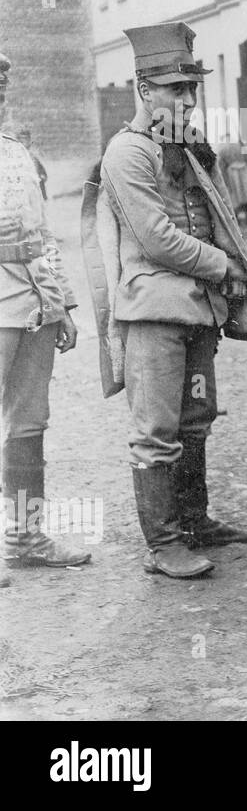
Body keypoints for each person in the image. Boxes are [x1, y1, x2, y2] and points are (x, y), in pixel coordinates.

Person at [91, 22, 247, 580]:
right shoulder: (128, 152)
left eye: (192, 89)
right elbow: (156, 239)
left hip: (198, 313)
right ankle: (163, 544)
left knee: (195, 420)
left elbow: (216, 220)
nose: (187, 100)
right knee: (155, 429)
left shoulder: (188, 152)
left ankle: (195, 521)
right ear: (145, 90)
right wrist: (224, 267)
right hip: (152, 312)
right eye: (175, 89)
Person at [0, 50, 87, 585]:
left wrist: (63, 303)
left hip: (34, 305)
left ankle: (26, 537)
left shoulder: (19, 154)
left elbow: (44, 239)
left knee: (29, 426)